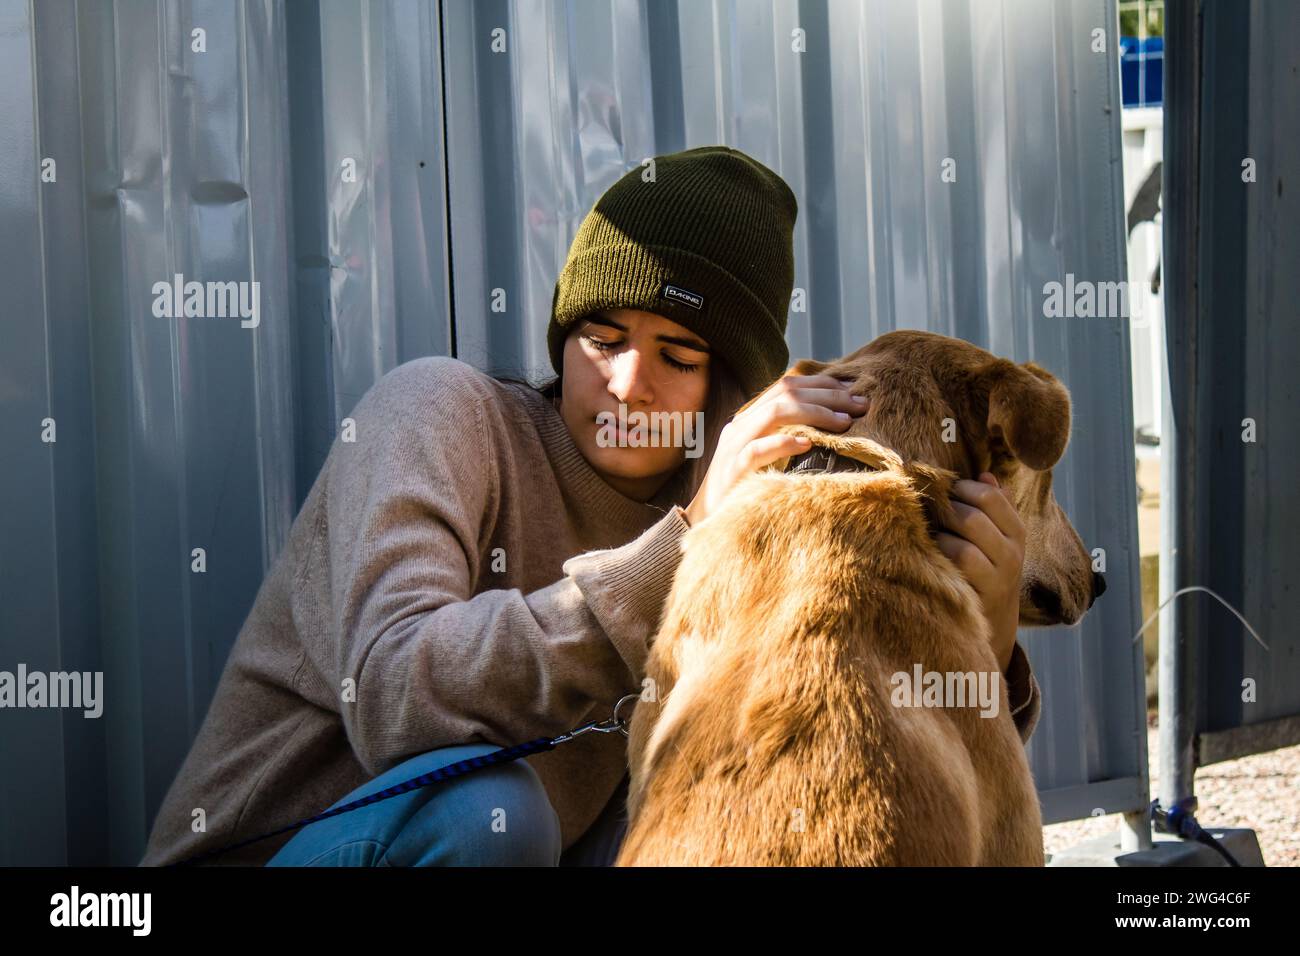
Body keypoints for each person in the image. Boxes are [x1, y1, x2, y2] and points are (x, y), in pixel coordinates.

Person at [139, 145, 1040, 867]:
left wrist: (987, 644)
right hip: (297, 847)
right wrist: (682, 545)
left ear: (730, 390)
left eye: (678, 357)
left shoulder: (737, 508)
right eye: (599, 337)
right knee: (489, 813)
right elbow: (390, 697)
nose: (627, 383)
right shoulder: (440, 414)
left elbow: (824, 736)